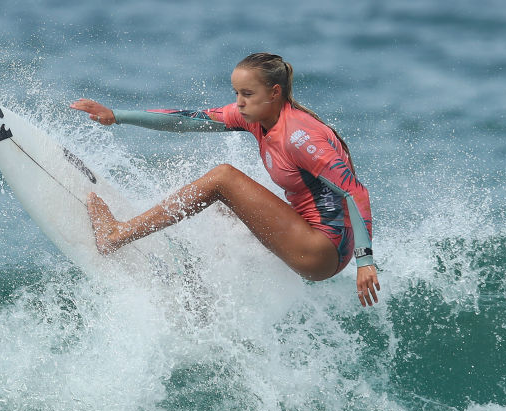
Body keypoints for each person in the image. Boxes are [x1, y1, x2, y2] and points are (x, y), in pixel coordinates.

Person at [70, 52, 380, 307]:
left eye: (247, 94)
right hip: (313, 236)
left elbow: (355, 191)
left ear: (275, 92)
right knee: (224, 209)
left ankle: (116, 235)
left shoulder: (298, 137)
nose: (240, 102)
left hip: (322, 249)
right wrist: (117, 115)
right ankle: (200, 294)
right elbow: (187, 121)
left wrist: (365, 262)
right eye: (237, 94)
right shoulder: (260, 117)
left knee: (223, 179)